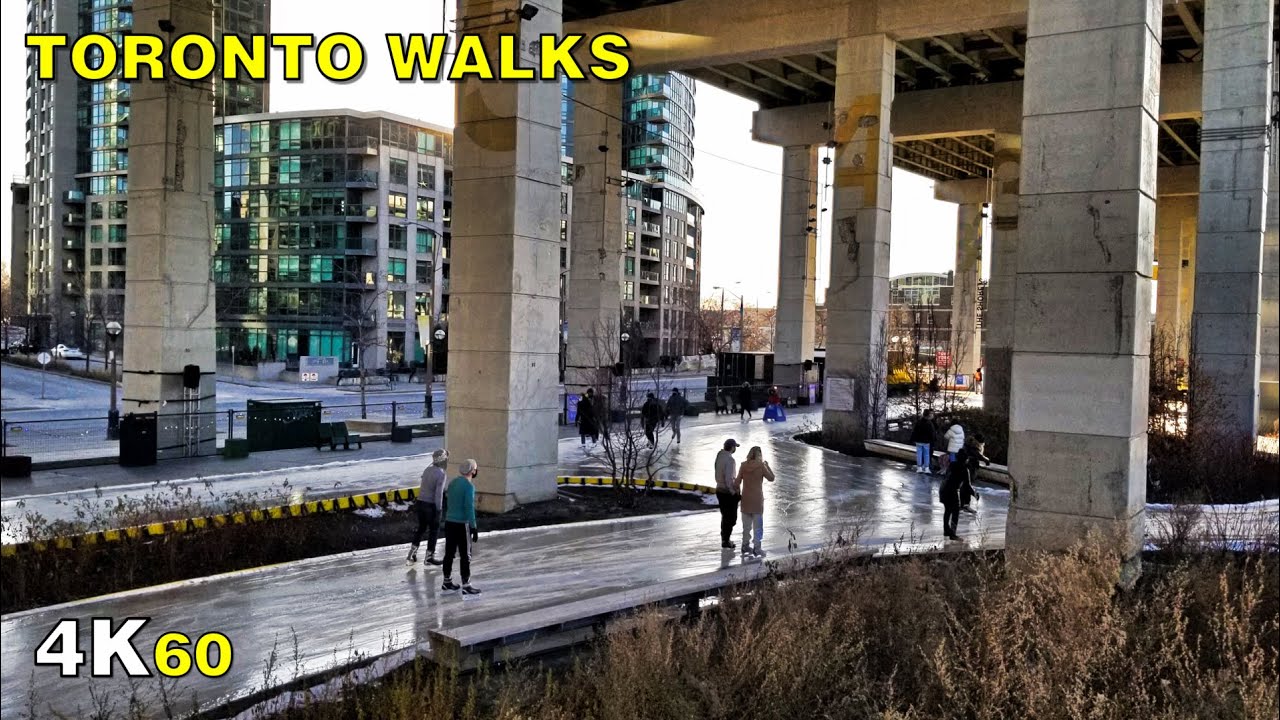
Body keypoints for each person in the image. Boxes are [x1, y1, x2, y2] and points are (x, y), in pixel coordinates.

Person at [441, 459, 482, 595]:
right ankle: (466, 585)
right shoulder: (469, 487)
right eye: (475, 469)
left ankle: (447, 581)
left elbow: (448, 499)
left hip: (449, 522)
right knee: (466, 555)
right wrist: (473, 526)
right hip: (462, 524)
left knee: (449, 553)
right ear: (472, 471)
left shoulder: (453, 483)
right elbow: (469, 507)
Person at [406, 448, 448, 566]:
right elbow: (438, 494)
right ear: (443, 460)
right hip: (431, 506)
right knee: (434, 531)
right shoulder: (441, 473)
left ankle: (412, 553)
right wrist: (439, 510)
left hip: (420, 503)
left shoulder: (427, 470)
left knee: (421, 528)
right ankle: (429, 557)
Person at [734, 446, 776, 557]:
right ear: (759, 455)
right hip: (757, 501)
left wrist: (737, 491)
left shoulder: (743, 466)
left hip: (746, 500)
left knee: (746, 527)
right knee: (758, 527)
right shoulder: (761, 466)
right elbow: (771, 478)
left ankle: (745, 546)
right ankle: (757, 548)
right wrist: (767, 466)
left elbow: (736, 482)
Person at [714, 439, 741, 549]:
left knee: (725, 516)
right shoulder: (730, 460)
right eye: (735, 447)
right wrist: (734, 493)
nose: (735, 449)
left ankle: (725, 539)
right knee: (731, 518)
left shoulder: (719, 456)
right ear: (732, 447)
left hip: (719, 490)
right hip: (727, 492)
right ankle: (726, 540)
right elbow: (729, 478)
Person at [958, 435, 990, 515]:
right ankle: (967, 504)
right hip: (970, 467)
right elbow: (978, 455)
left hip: (965, 466)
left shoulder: (968, 444)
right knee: (966, 485)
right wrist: (986, 460)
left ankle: (964, 504)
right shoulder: (973, 446)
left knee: (964, 485)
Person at [910, 409, 937, 474]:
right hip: (926, 441)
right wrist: (933, 440)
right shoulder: (929, 423)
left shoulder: (918, 422)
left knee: (919, 454)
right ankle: (926, 468)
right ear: (928, 415)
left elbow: (914, 431)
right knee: (926, 455)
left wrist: (912, 439)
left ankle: (919, 468)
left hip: (918, 441)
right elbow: (932, 433)